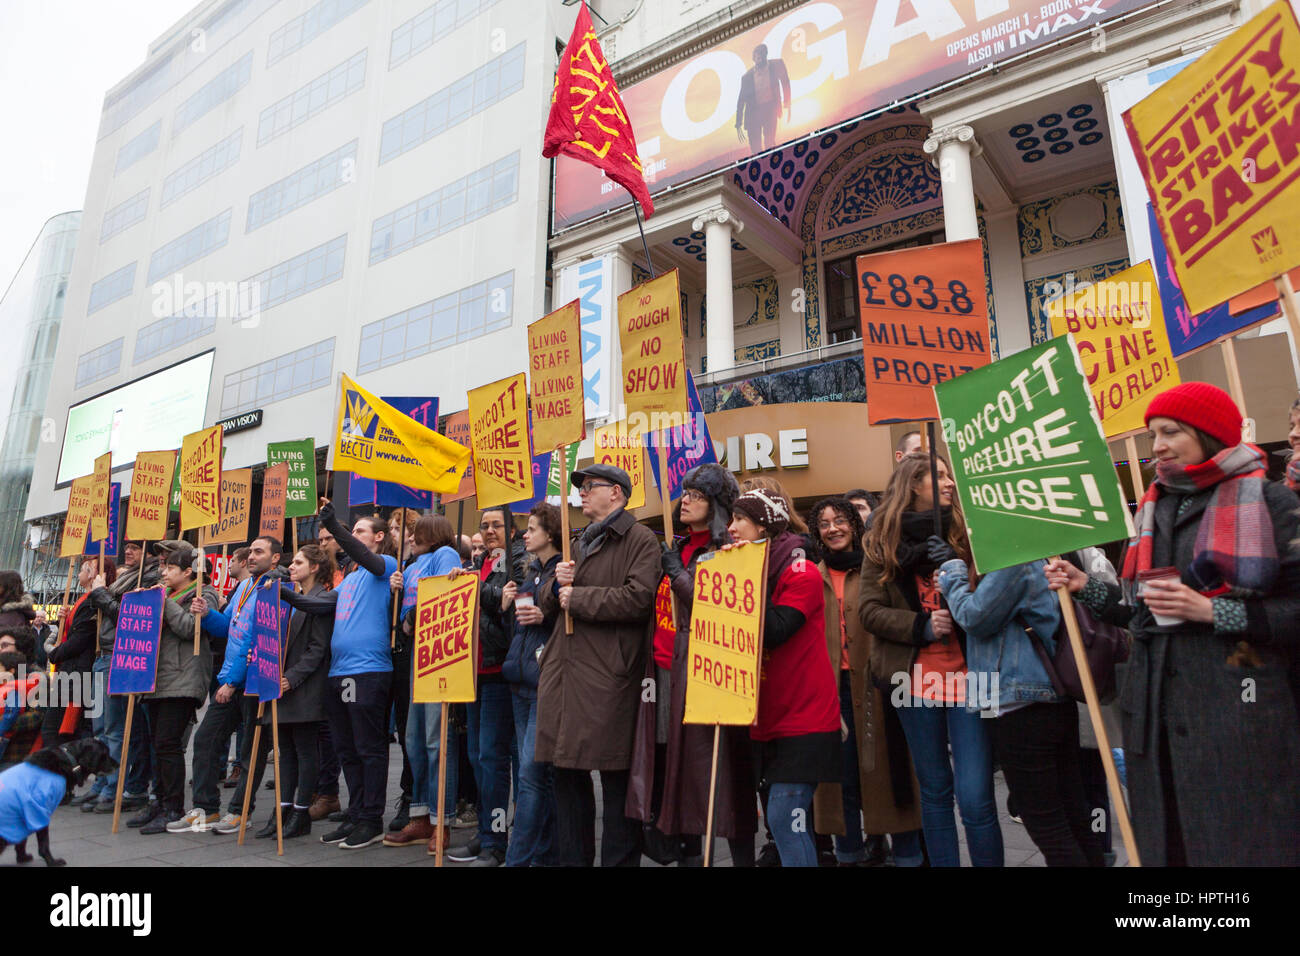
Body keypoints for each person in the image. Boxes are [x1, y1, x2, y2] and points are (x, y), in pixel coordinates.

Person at [1046, 382, 1300, 865]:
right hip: (1156, 724)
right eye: (1152, 434)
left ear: (1209, 434)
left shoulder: (1272, 503)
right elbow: (1143, 617)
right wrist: (1086, 587)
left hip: (1236, 722)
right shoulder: (1153, 507)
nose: (1157, 445)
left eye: (1170, 432)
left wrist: (1212, 611)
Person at [859, 453, 1003, 867]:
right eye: (938, 476)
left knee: (975, 796)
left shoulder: (968, 533)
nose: (949, 483)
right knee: (935, 792)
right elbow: (869, 611)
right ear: (913, 485)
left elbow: (994, 598)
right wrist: (920, 626)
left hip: (969, 679)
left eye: (948, 475)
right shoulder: (880, 543)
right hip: (913, 683)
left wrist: (956, 569)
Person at [929, 528, 1104, 866]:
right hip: (1044, 699)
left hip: (1022, 705)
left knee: (1049, 826)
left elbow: (974, 618)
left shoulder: (1015, 556)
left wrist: (951, 572)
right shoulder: (1032, 549)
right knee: (1071, 818)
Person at [629, 462, 756, 866]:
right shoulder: (677, 546)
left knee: (721, 772)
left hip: (708, 673)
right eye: (685, 493)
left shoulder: (726, 549)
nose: (686, 500)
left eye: (697, 495)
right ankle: (686, 855)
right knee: (676, 771)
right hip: (665, 671)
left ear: (716, 504)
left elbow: (711, 604)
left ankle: (740, 858)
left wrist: (676, 572)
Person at [536, 463, 660, 867]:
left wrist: (580, 597)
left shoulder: (640, 539)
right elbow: (547, 605)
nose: (583, 494)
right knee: (566, 777)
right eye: (582, 488)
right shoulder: (576, 541)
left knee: (615, 779)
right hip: (565, 674)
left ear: (618, 494)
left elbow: (639, 599)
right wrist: (556, 584)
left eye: (592, 487)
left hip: (609, 677)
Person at [727, 489, 839, 867]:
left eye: (739, 519)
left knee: (784, 819)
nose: (731, 528)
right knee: (785, 823)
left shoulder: (801, 571)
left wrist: (736, 584)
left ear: (763, 524)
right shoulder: (755, 570)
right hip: (767, 719)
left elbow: (775, 628)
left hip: (804, 720)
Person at [810, 496, 924, 867]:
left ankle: (907, 855)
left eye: (840, 520)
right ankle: (849, 855)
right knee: (840, 778)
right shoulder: (812, 574)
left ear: (854, 525)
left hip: (880, 684)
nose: (833, 529)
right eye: (824, 523)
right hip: (832, 690)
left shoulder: (877, 566)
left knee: (891, 774)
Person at [279, 500, 397, 850]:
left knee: (368, 747)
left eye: (360, 531)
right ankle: (357, 813)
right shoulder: (350, 580)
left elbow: (362, 553)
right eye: (353, 531)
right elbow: (319, 605)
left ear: (378, 537)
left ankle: (371, 818)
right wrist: (283, 595)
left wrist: (335, 524)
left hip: (368, 671)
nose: (352, 538)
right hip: (340, 673)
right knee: (346, 749)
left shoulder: (383, 566)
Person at [231, 544, 337, 840]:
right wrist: (259, 659)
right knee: (285, 753)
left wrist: (291, 678)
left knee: (304, 751)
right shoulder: (292, 598)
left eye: (299, 562)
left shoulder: (322, 598)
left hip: (303, 687)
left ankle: (301, 812)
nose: (292, 567)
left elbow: (318, 650)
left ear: (315, 567)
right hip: (278, 684)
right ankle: (283, 811)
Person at [180, 537, 283, 835]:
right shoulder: (244, 587)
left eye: (259, 552)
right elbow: (229, 627)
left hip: (252, 681)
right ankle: (206, 808)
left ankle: (240, 812)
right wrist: (207, 614)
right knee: (206, 740)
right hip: (232, 678)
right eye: (250, 551)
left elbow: (254, 639)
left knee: (251, 750)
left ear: (275, 559)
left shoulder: (272, 587)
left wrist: (232, 682)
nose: (251, 556)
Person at [447, 507, 525, 866]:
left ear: (511, 529)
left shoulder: (516, 561)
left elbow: (510, 604)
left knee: (493, 760)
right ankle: (486, 831)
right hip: (472, 673)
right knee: (478, 757)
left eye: (496, 525)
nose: (490, 531)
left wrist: (476, 589)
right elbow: (491, 599)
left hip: (498, 671)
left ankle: (496, 840)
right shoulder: (480, 566)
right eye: (484, 526)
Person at [385, 515, 462, 851]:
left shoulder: (444, 555)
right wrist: (397, 593)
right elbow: (401, 615)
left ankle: (440, 820)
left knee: (436, 740)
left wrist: (411, 618)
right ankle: (419, 816)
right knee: (414, 739)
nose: (412, 538)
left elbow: (443, 594)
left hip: (438, 653)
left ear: (435, 534)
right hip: (415, 654)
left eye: (418, 533)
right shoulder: (412, 564)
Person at [134, 547, 219, 834]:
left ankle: (173, 807)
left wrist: (162, 601)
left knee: (169, 744)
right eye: (164, 568)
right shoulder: (168, 596)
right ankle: (158, 801)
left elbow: (187, 628)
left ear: (187, 572)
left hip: (183, 680)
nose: (163, 573)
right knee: (157, 744)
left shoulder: (204, 595)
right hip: (157, 680)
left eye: (170, 568)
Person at [500, 503, 563, 867]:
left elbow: (568, 624)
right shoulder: (530, 573)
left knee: (530, 775)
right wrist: (507, 606)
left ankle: (517, 859)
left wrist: (546, 615)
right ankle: (545, 854)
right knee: (537, 775)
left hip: (545, 684)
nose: (526, 534)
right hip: (521, 682)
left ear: (550, 534)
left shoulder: (562, 571)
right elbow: (521, 630)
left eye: (533, 528)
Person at [79, 546, 164, 814]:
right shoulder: (127, 577)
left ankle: (113, 786)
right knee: (101, 728)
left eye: (136, 548)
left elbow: (127, 617)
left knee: (114, 729)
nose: (128, 551)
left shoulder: (149, 579)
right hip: (103, 654)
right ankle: (102, 782)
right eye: (127, 547)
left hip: (119, 655)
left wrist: (101, 592)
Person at [42, 557, 116, 749]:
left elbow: (81, 638)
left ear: (93, 575)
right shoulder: (83, 599)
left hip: (76, 671)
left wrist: (54, 654)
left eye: (84, 569)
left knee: (55, 730)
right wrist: (64, 621)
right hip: (70, 669)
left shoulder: (92, 601)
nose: (79, 573)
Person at [735, 43, 790, 153]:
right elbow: (741, 100)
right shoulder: (747, 77)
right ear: (753, 58)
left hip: (769, 110)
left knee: (770, 144)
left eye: (761, 55)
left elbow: (785, 81)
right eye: (756, 56)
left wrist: (787, 103)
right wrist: (738, 122)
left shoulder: (776, 65)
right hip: (753, 115)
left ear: (766, 55)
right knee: (756, 149)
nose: (759, 58)